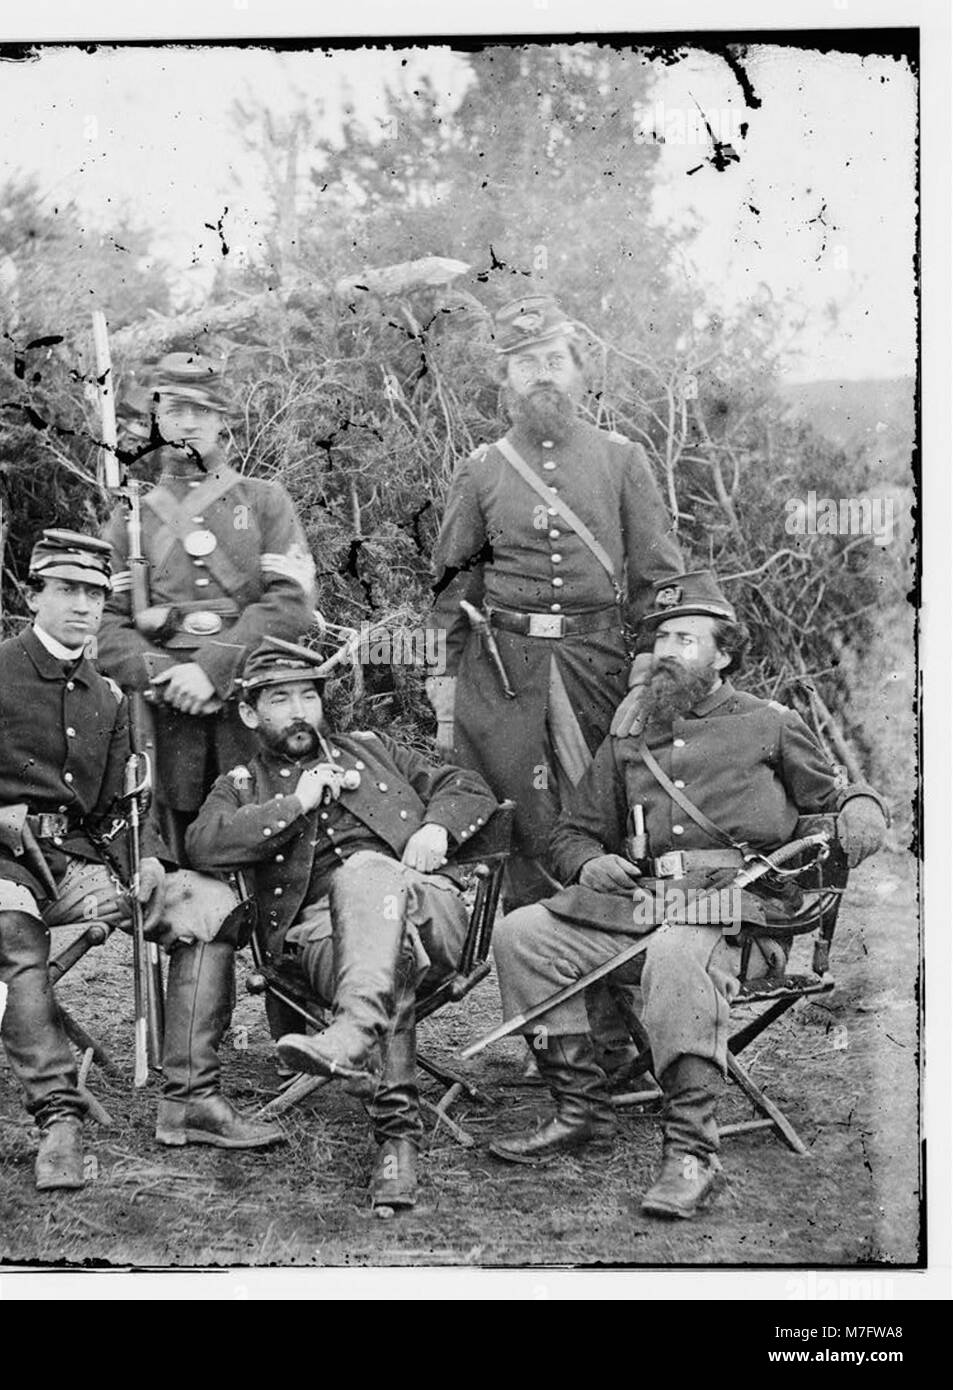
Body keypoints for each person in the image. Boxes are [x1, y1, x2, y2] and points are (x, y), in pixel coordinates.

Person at [487, 570, 888, 1218]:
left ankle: (691, 1153)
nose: (667, 651)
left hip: (744, 922)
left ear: (723, 652)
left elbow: (836, 794)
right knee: (522, 934)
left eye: (685, 638)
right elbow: (571, 833)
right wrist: (589, 864)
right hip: (642, 911)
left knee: (678, 952)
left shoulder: (770, 723)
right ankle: (579, 1105)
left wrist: (864, 808)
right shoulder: (628, 740)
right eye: (660, 638)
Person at [184, 637, 498, 1210]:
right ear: (251, 713)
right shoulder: (245, 785)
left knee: (366, 873)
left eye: (308, 695)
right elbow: (203, 844)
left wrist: (437, 830)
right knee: (386, 954)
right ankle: (396, 1138)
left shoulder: (374, 752)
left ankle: (354, 1038)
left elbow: (468, 787)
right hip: (322, 942)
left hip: (427, 907)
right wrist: (295, 805)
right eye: (281, 700)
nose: (300, 710)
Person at [98, 350, 316, 1149]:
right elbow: (104, 632)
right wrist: (163, 674)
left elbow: (292, 607)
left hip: (252, 728)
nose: (185, 424)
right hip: (167, 738)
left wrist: (213, 668)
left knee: (283, 871)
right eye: (170, 410)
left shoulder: (263, 502)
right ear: (155, 421)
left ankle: (309, 1034)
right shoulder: (126, 517)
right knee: (193, 898)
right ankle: (190, 1091)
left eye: (200, 411)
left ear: (227, 421)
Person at [428, 294, 684, 912]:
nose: (541, 374)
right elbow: (452, 591)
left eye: (553, 360)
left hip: (598, 665)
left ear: (579, 370)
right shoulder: (483, 469)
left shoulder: (621, 459)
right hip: (504, 674)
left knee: (606, 811)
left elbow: (659, 577)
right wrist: (443, 684)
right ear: (506, 380)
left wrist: (649, 666)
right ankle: (537, 965)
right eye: (525, 364)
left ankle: (615, 962)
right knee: (522, 822)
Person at [0, 530, 169, 1190]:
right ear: (33, 595)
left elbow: (119, 811)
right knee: (12, 931)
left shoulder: (109, 698)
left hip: (66, 867)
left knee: (175, 907)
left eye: (94, 593)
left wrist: (144, 861)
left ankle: (190, 1088)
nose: (82, 606)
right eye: (66, 590)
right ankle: (58, 1118)